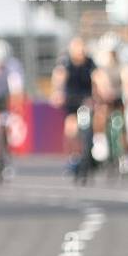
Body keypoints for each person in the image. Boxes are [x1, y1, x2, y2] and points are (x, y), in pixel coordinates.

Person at [49, 37, 97, 173]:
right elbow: (59, 77)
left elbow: (98, 78)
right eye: (77, 49)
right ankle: (73, 156)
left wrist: (101, 93)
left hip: (86, 99)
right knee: (71, 128)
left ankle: (93, 151)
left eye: (82, 49)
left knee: (92, 122)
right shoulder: (65, 62)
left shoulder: (90, 62)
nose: (80, 52)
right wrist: (57, 92)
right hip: (70, 100)